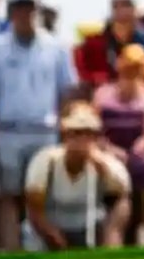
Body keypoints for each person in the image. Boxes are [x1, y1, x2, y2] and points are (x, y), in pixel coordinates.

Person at [0, 0, 78, 251]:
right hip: (8, 133)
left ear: (37, 11)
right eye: (19, 8)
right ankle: (9, 250)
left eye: (29, 8)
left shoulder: (57, 47)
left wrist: (62, 126)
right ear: (11, 12)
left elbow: (67, 92)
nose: (25, 13)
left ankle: (42, 250)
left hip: (45, 131)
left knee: (43, 195)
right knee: (8, 196)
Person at [22, 104, 130, 251]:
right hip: (50, 228)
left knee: (122, 204)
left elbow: (122, 192)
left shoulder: (106, 162)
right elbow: (34, 208)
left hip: (89, 227)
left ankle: (110, 252)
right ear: (65, 134)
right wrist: (54, 237)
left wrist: (99, 166)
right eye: (77, 133)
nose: (83, 139)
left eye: (89, 133)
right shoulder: (45, 160)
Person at [91, 44, 144, 246]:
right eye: (129, 64)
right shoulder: (103, 95)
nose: (131, 70)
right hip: (106, 154)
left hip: (137, 155)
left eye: (137, 66)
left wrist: (132, 153)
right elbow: (94, 130)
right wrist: (111, 151)